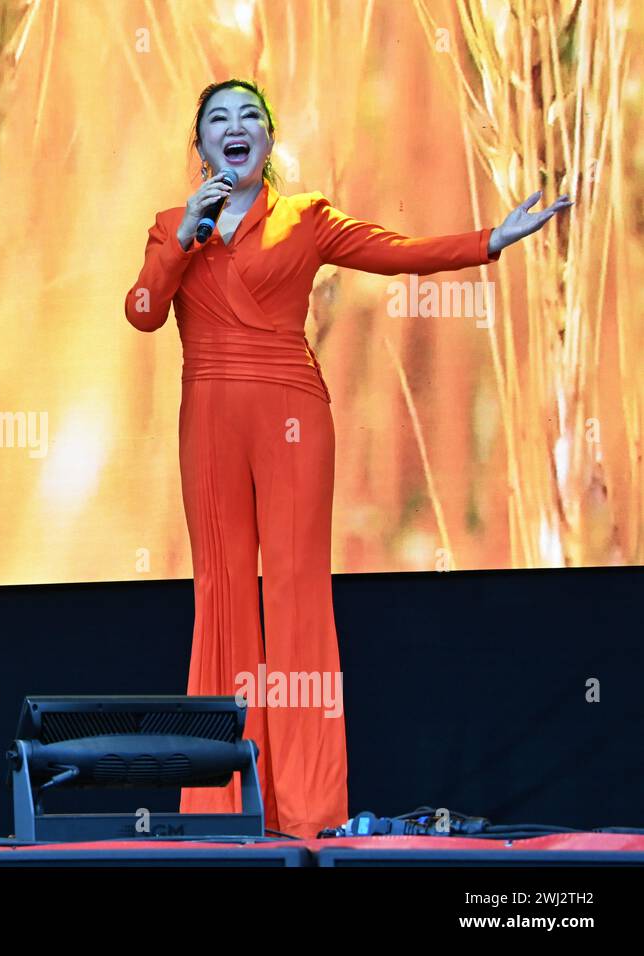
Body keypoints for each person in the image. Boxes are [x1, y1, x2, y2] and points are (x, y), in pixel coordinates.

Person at [123, 78, 571, 837]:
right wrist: (179, 244)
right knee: (223, 599)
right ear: (198, 147)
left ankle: (305, 808)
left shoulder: (306, 217)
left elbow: (396, 253)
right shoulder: (172, 225)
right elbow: (141, 312)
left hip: (293, 412)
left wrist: (488, 241)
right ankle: (217, 805)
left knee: (298, 597)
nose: (235, 130)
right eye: (218, 122)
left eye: (250, 119)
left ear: (269, 139)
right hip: (206, 419)